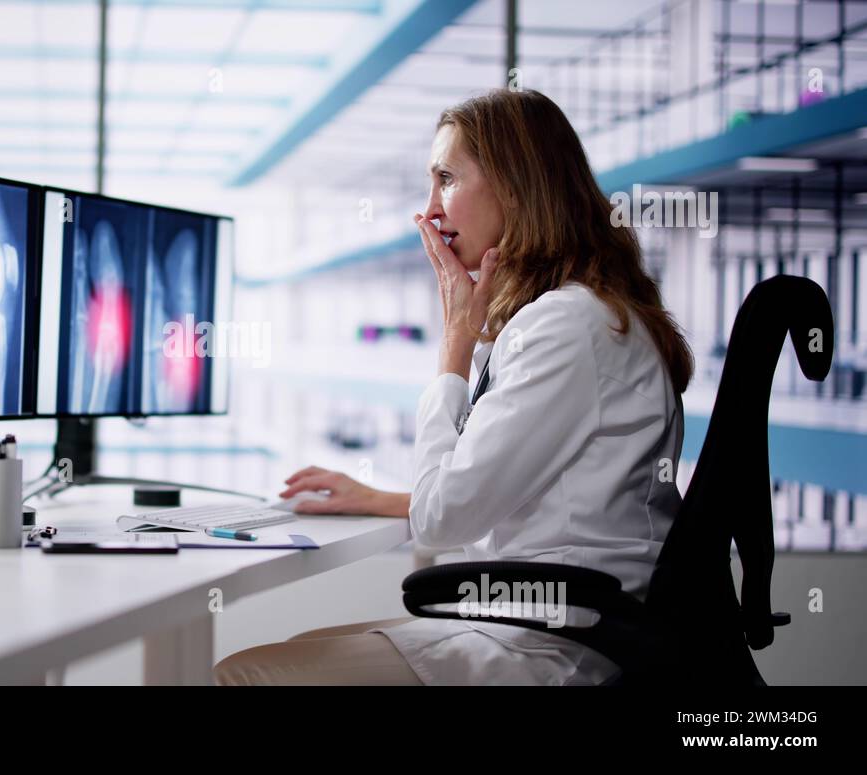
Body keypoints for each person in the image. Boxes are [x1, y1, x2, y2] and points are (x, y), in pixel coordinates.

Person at [214, 88, 694, 686]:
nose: (430, 210)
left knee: (248, 674)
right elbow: (505, 486)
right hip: (565, 622)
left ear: (516, 187)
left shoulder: (565, 325)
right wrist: (382, 499)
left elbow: (444, 520)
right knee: (296, 649)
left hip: (556, 645)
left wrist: (454, 348)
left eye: (446, 179)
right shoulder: (581, 313)